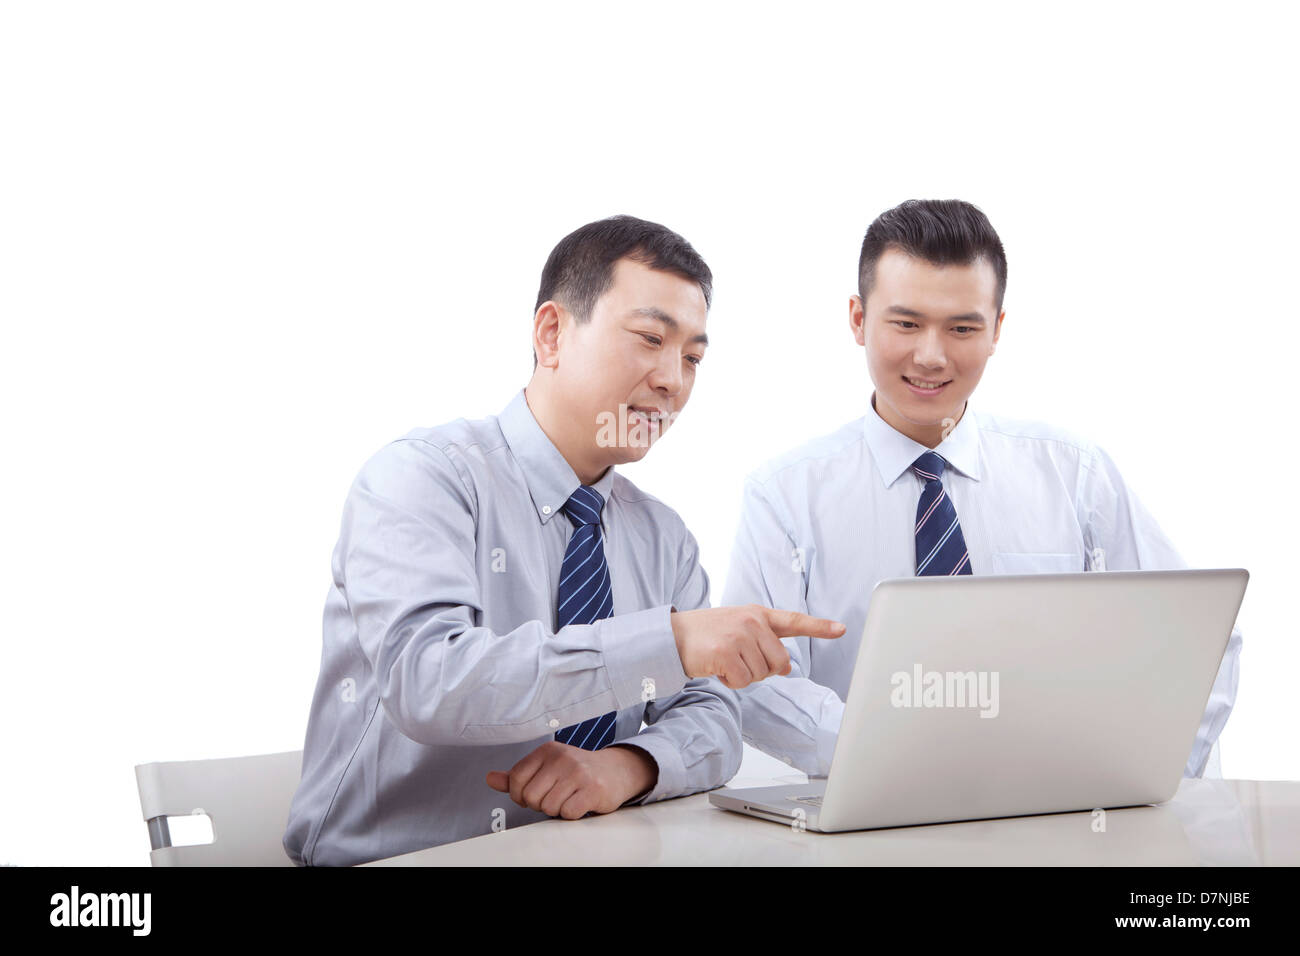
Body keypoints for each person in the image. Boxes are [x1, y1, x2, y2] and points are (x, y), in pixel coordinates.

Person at [283, 214, 844, 866]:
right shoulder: (422, 478)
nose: (673, 380)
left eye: (692, 356)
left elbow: (715, 718)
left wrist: (628, 765)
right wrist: (674, 642)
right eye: (649, 339)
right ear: (551, 334)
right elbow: (427, 682)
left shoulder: (663, 537)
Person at [722, 198, 1241, 780]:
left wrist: (1147, 778)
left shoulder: (1075, 476)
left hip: (1057, 813)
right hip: (865, 818)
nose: (931, 356)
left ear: (997, 329)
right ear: (857, 319)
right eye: (906, 323)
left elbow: (1197, 637)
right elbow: (753, 684)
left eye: (962, 327)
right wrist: (895, 752)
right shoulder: (784, 496)